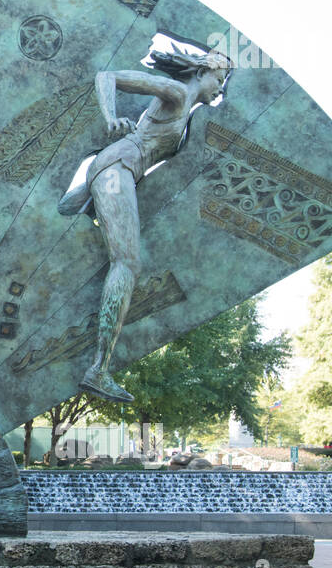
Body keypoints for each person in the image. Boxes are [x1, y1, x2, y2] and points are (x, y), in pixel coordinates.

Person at [57, 39, 233, 404]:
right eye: (220, 78)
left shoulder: (187, 109)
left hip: (119, 172)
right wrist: (110, 117)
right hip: (116, 167)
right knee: (127, 262)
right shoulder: (176, 93)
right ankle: (98, 370)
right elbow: (107, 76)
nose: (221, 89)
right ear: (203, 72)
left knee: (61, 221)